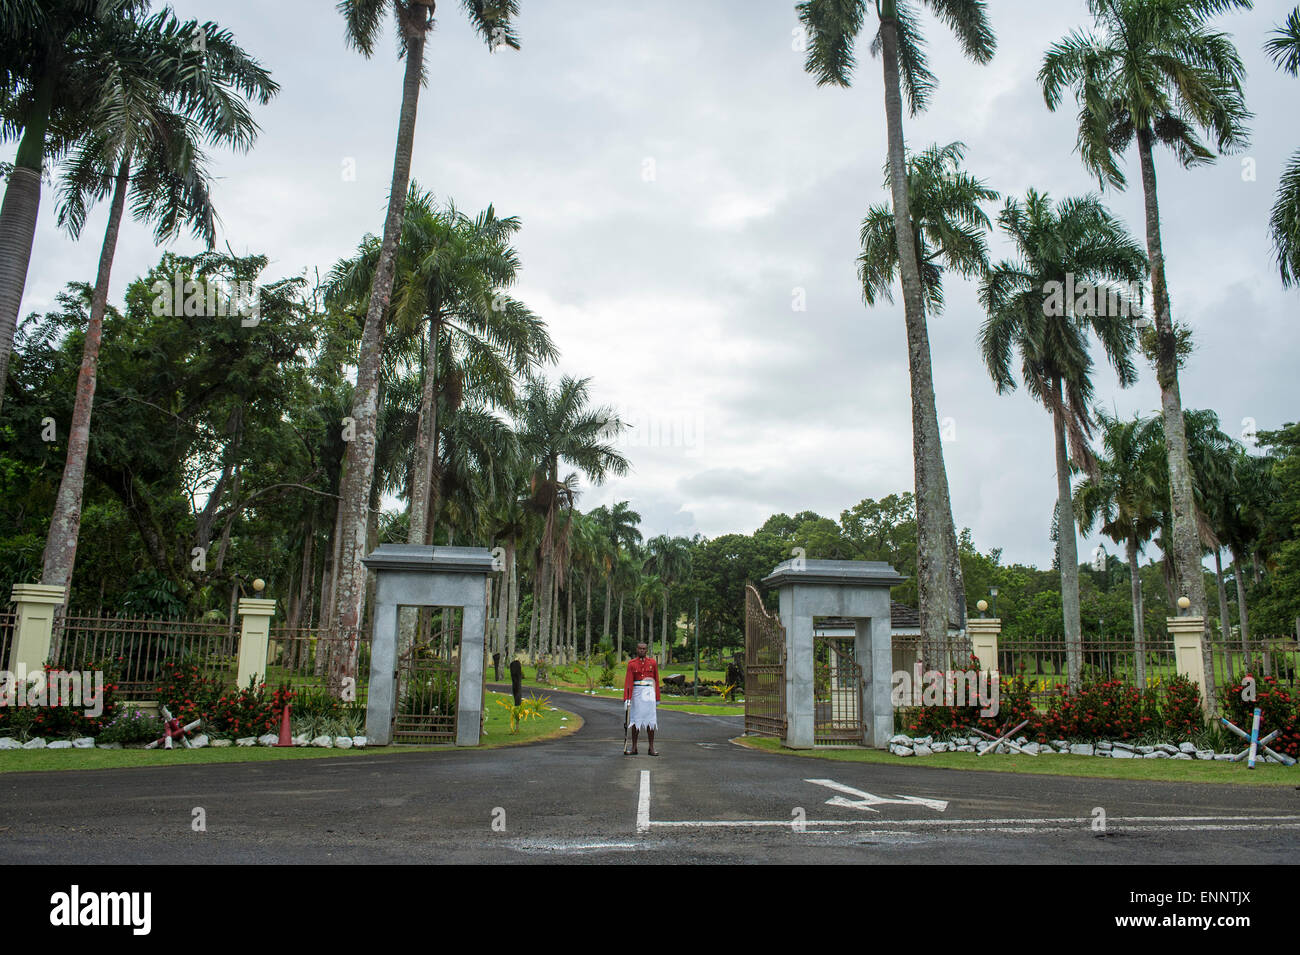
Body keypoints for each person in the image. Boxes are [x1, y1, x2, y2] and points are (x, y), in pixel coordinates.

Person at [623, 642, 660, 756]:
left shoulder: (652, 663)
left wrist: (657, 697)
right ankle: (634, 747)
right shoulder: (632, 664)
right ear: (637, 650)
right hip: (637, 692)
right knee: (635, 720)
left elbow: (656, 680)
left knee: (650, 720)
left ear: (646, 650)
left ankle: (651, 747)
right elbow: (628, 682)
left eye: (644, 649)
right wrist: (627, 698)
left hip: (649, 692)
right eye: (640, 649)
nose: (642, 651)